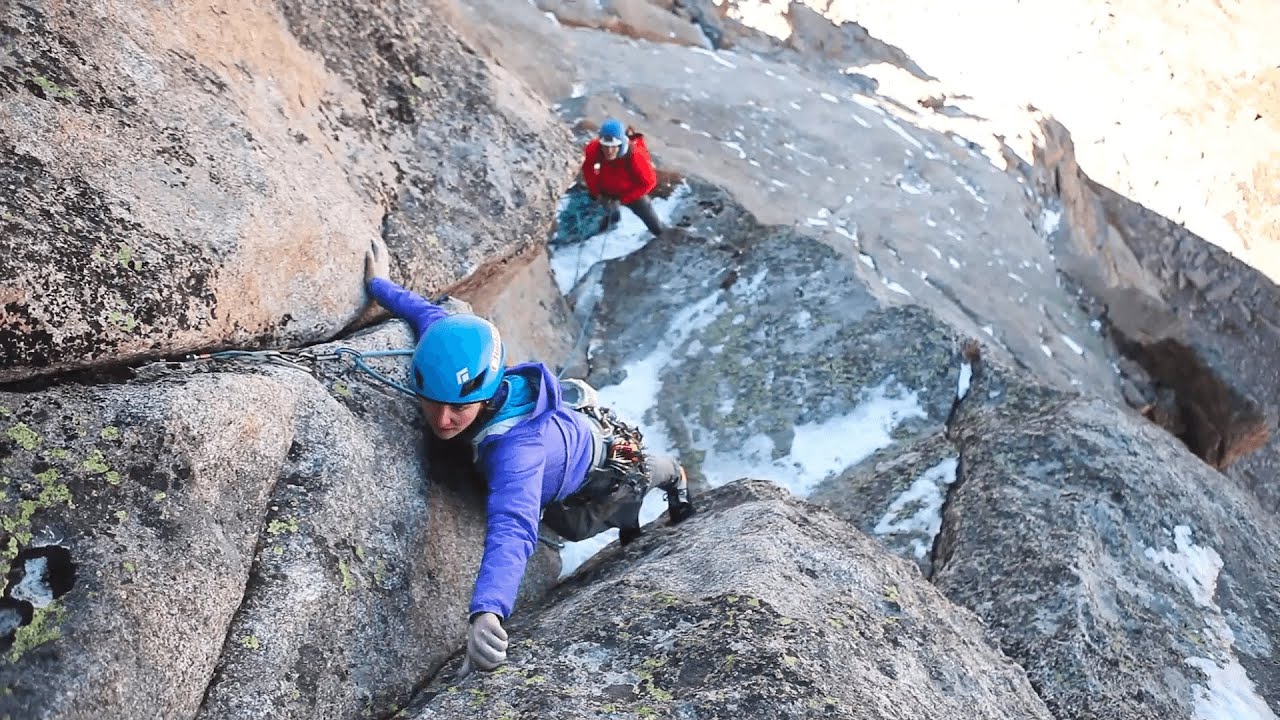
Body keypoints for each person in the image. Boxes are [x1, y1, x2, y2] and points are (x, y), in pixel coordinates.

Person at [362, 238, 696, 677]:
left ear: (483, 397)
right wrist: (379, 285)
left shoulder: (516, 452)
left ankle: (677, 481)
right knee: (598, 516)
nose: (442, 420)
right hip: (574, 443)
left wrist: (487, 612)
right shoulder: (462, 357)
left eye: (458, 408)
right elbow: (428, 315)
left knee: (581, 523)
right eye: (432, 401)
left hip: (601, 470)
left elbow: (515, 526)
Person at [582, 118, 665, 236]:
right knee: (609, 212)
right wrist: (597, 192)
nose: (609, 151)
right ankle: (611, 222)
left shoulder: (635, 156)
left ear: (621, 144)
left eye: (614, 146)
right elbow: (588, 168)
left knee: (656, 226)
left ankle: (660, 234)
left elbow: (649, 182)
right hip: (606, 190)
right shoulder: (594, 148)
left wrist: (622, 200)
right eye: (605, 146)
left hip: (630, 191)